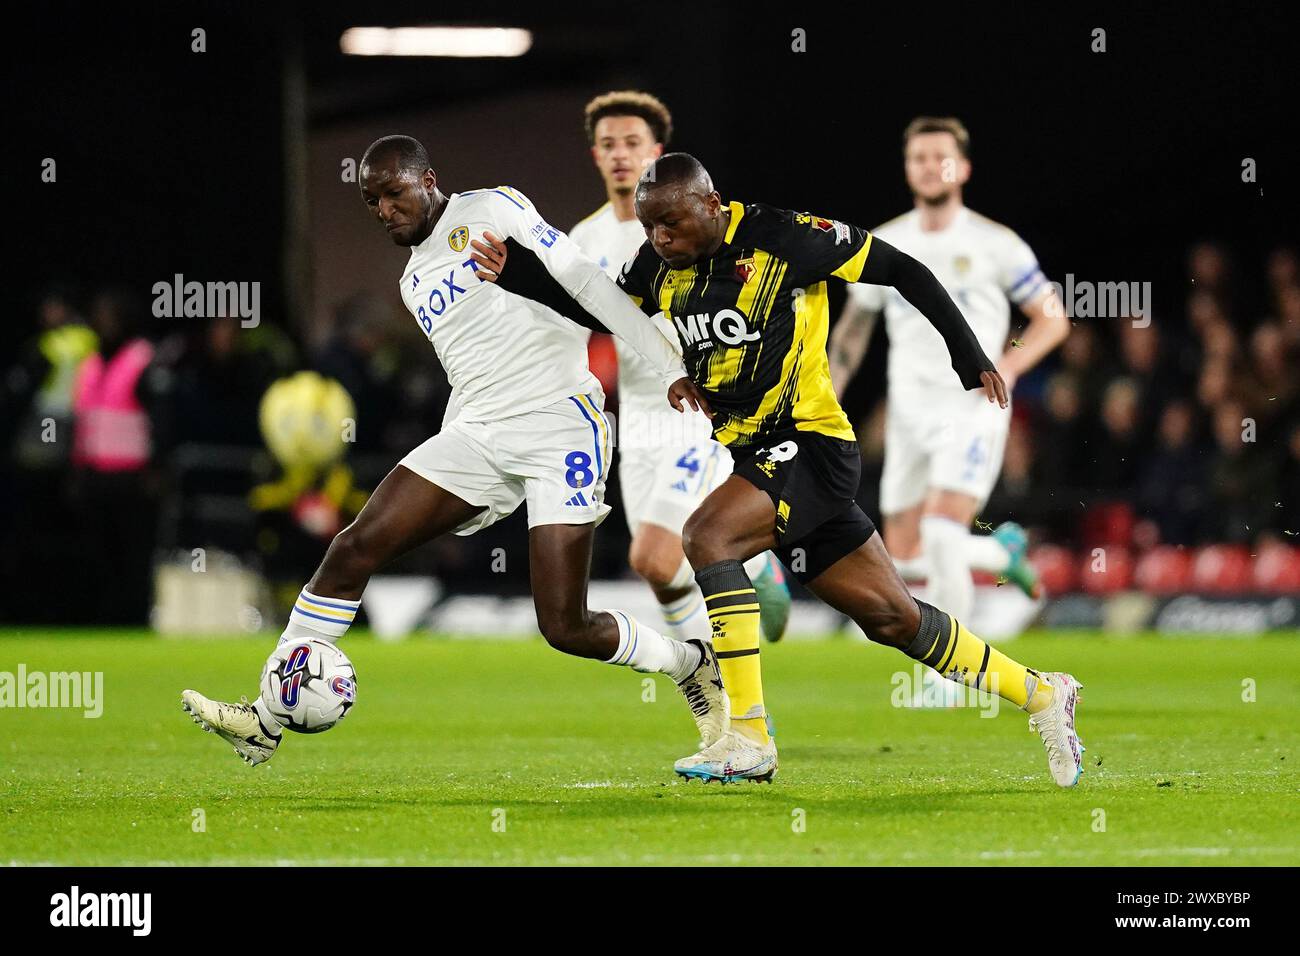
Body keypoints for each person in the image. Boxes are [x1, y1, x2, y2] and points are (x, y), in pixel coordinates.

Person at [181, 135, 729, 766]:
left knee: (564, 626)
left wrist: (665, 363)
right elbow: (470, 373)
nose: (383, 209)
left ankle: (690, 662)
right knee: (354, 545)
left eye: (393, 193)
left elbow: (585, 283)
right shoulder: (414, 281)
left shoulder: (494, 209)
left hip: (561, 428)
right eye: (371, 201)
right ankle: (265, 719)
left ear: (428, 179)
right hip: (478, 433)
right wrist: (449, 459)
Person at [616, 153, 1084, 785]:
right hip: (755, 455)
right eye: (649, 227)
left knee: (707, 535)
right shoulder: (656, 265)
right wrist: (516, 278)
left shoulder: (784, 237)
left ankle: (749, 737)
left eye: (670, 222)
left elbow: (904, 269)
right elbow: (596, 307)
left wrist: (967, 352)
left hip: (811, 445)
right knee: (896, 620)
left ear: (711, 203)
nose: (659, 238)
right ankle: (1045, 695)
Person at [828, 118, 1069, 669]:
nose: (929, 166)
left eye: (940, 157)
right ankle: (999, 551)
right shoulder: (886, 241)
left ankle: (955, 675)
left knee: (939, 531)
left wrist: (1006, 363)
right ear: (907, 168)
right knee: (905, 555)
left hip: (971, 406)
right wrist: (828, 394)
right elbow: (853, 331)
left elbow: (1052, 318)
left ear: (961, 168)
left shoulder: (994, 242)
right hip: (910, 412)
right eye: (917, 157)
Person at [568, 91, 790, 649]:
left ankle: (724, 688)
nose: (621, 154)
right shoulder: (582, 242)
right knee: (659, 573)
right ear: (595, 155)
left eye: (633, 144)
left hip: (698, 409)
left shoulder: (691, 222)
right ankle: (751, 574)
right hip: (640, 421)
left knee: (655, 553)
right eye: (608, 144)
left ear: (656, 151)